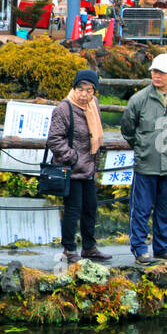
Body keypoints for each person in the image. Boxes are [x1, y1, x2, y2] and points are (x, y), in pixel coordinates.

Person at [120, 53, 167, 265]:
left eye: (161, 72)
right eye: (154, 71)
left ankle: (163, 248)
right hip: (146, 163)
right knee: (141, 209)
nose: (156, 75)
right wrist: (143, 146)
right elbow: (127, 128)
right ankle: (140, 249)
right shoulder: (139, 99)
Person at [47, 69, 110, 263]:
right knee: (72, 210)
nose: (84, 95)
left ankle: (89, 247)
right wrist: (72, 157)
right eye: (80, 89)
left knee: (90, 208)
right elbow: (54, 139)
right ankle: (69, 248)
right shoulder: (64, 109)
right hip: (71, 170)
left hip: (89, 168)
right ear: (74, 88)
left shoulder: (93, 105)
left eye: (89, 90)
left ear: (94, 92)